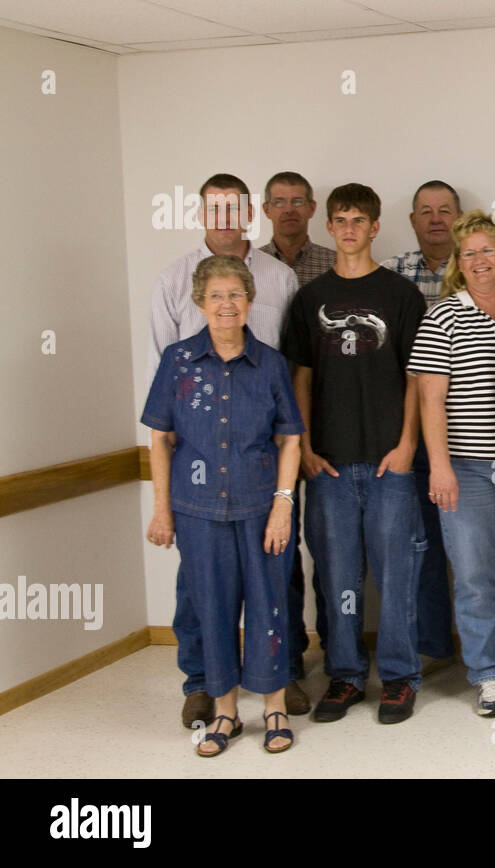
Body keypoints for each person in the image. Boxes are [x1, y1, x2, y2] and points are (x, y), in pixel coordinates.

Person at [150, 173, 299, 727]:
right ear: (200, 301)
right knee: (205, 601)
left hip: (262, 494)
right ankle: (213, 697)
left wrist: (284, 500)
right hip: (197, 500)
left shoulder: (277, 308)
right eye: (216, 297)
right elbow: (161, 430)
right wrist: (163, 508)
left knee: (272, 596)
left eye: (235, 295)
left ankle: (277, 693)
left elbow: (289, 431)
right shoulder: (178, 358)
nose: (227, 304)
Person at [283, 183, 427, 726]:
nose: (348, 228)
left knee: (396, 577)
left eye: (358, 220)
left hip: (390, 460)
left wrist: (408, 442)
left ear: (374, 227)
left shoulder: (401, 296)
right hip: (329, 466)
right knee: (337, 576)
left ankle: (398, 677)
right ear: (330, 226)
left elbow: (419, 375)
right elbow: (300, 373)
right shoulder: (308, 298)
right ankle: (343, 676)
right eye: (340, 219)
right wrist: (305, 446)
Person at [409, 210, 495, 717]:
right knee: (472, 577)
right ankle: (487, 674)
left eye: (488, 250)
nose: (479, 260)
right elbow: (431, 401)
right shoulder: (442, 316)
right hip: (465, 469)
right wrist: (439, 466)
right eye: (468, 253)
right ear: (458, 265)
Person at [258, 169, 334, 712]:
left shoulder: (333, 265)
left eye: (297, 202)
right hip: (258, 432)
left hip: (322, 428)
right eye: (278, 202)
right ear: (266, 209)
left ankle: (337, 655)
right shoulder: (250, 269)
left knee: (329, 552)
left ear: (312, 209)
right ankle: (285, 663)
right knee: (277, 550)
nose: (288, 210)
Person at [383, 180, 463, 677]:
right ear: (412, 220)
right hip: (412, 430)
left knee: (485, 555)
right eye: (426, 211)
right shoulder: (392, 276)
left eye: (445, 210)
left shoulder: (482, 265)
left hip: (476, 435)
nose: (436, 219)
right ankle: (432, 644)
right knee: (422, 545)